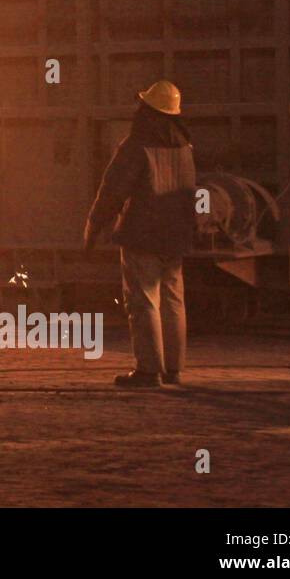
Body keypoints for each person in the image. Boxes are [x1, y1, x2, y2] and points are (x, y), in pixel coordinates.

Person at [83, 80, 196, 388]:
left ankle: (148, 371)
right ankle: (173, 369)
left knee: (144, 300)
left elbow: (113, 190)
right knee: (173, 301)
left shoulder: (137, 144)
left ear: (146, 110)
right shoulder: (185, 146)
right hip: (176, 236)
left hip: (142, 234)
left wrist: (94, 223)